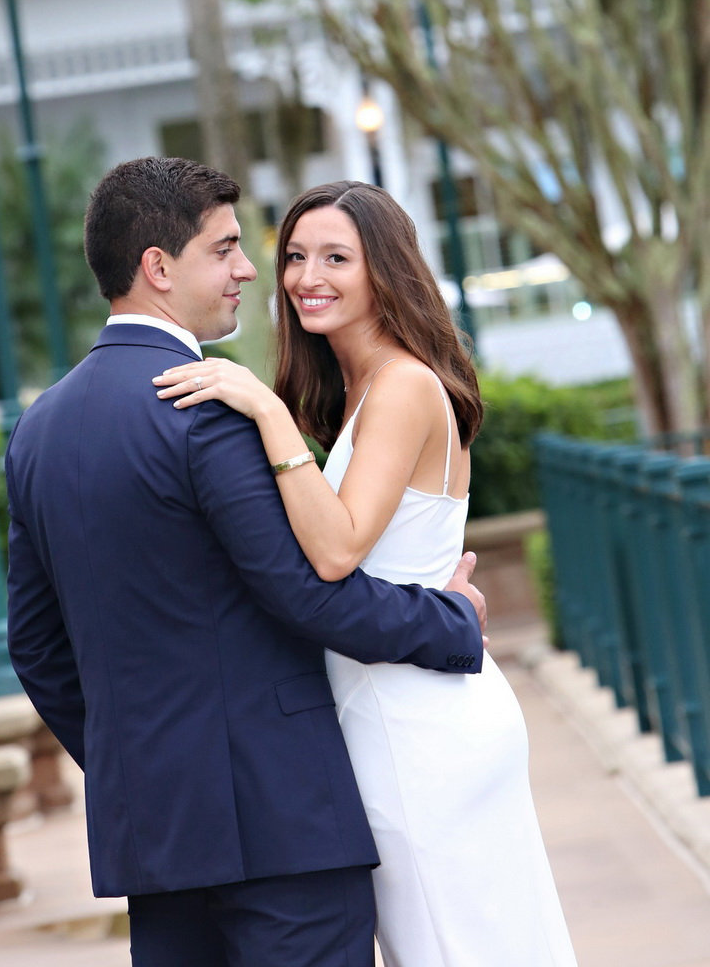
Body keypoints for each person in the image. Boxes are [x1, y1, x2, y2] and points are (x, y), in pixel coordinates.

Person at [4, 156, 487, 966]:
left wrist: (142, 763)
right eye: (225, 248)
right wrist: (450, 621)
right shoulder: (204, 406)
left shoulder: (39, 429)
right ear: (159, 267)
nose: (249, 269)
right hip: (284, 826)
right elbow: (306, 595)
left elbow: (36, 647)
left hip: (152, 837)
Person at [152, 180, 576, 965]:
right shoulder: (359, 389)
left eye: (337, 258)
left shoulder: (404, 384)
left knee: (460, 947)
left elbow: (337, 550)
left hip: (418, 722)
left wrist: (264, 411)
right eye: (296, 257)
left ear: (386, 270)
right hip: (390, 706)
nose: (307, 277)